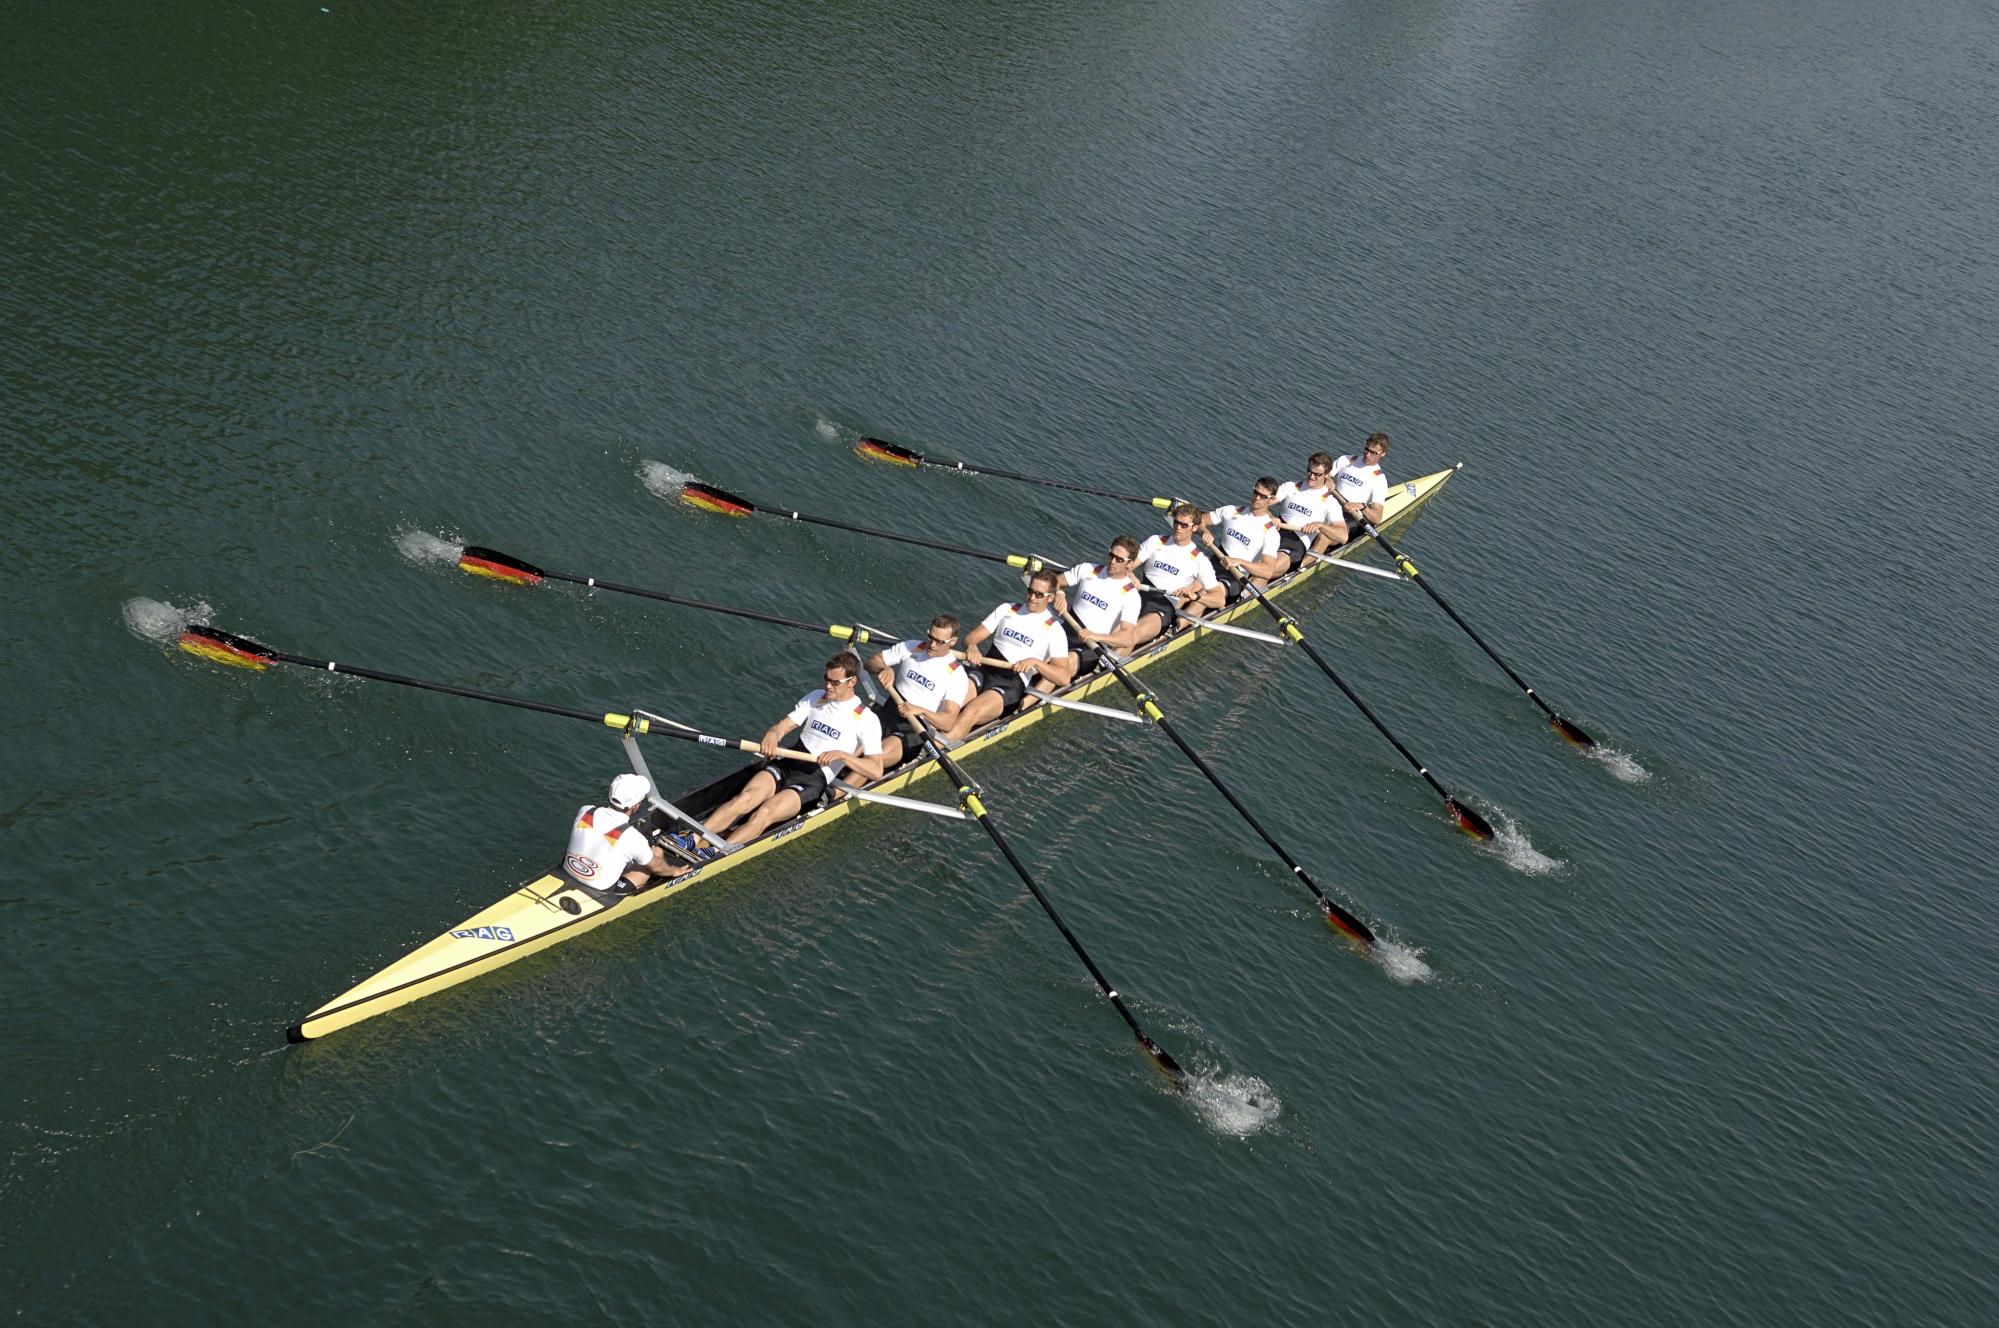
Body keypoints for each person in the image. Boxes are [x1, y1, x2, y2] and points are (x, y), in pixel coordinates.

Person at [685, 653, 887, 852]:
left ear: (852, 681)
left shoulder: (865, 719)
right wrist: (773, 735)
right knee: (744, 799)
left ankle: (717, 853)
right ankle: (693, 839)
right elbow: (782, 727)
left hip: (813, 779)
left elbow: (876, 770)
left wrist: (844, 755)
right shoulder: (816, 698)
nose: (828, 686)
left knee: (765, 813)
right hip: (788, 763)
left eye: (835, 683)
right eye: (826, 679)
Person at [940, 570, 1077, 743]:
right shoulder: (1007, 609)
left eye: (1039, 594)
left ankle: (934, 751)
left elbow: (1064, 677)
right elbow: (970, 638)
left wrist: (1035, 662)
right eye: (1030, 591)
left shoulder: (1054, 630)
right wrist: (972, 647)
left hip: (1010, 685)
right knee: (950, 703)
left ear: (1050, 598)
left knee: (970, 712)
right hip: (984, 671)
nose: (1032, 598)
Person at [864, 614, 975, 762]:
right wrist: (884, 668)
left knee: (876, 757)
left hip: (915, 729)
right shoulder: (912, 647)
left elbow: (948, 722)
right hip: (888, 710)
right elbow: (869, 663)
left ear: (953, 642)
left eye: (939, 642)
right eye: (930, 637)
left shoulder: (956, 674)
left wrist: (921, 710)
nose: (932, 644)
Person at [561, 773, 689, 893]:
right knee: (656, 853)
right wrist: (674, 871)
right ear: (636, 806)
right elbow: (656, 867)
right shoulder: (632, 837)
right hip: (604, 890)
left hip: (569, 870)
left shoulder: (585, 811)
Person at [1131, 502, 1225, 645]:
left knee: (1133, 634)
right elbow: (1128, 566)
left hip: (1162, 607)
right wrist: (1131, 575)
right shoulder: (1155, 541)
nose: (1178, 528)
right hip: (1138, 594)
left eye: (1184, 525)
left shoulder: (1199, 560)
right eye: (1176, 522)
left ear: (1194, 528)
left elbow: (1219, 599)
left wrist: (1196, 596)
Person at [1057, 536, 1145, 674]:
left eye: (1119, 559)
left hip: (1091, 646)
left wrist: (1097, 636)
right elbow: (1055, 583)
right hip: (1064, 631)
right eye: (1111, 555)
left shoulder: (1131, 595)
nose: (1112, 561)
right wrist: (1060, 594)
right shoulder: (1088, 569)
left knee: (1060, 665)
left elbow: (1127, 638)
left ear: (1129, 564)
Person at [1202, 478, 1287, 591]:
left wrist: (1239, 561)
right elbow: (1200, 520)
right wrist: (1205, 531)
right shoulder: (1231, 511)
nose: (1257, 498)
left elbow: (1267, 571)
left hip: (1236, 576)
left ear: (1272, 499)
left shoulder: (1271, 533)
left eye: (1263, 496)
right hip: (1215, 561)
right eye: (1256, 492)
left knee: (1203, 592)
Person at [1269, 452, 1342, 576]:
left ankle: (1300, 566)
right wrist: (1271, 517)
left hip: (1295, 543)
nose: (1311, 477)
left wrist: (1321, 525)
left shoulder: (1330, 502)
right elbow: (1261, 504)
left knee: (1269, 568)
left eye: (1317, 474)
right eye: (1309, 471)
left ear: (1327, 475)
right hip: (1275, 531)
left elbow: (1343, 536)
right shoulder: (1291, 487)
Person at [1325, 432, 1392, 545]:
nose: (1368, 455)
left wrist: (1362, 506)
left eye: (1373, 453)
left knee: (1327, 534)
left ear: (1382, 454)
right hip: (1329, 505)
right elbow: (1322, 474)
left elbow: (1377, 518)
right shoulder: (1346, 460)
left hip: (1351, 516)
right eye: (1366, 449)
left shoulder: (1379, 479)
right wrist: (1329, 478)